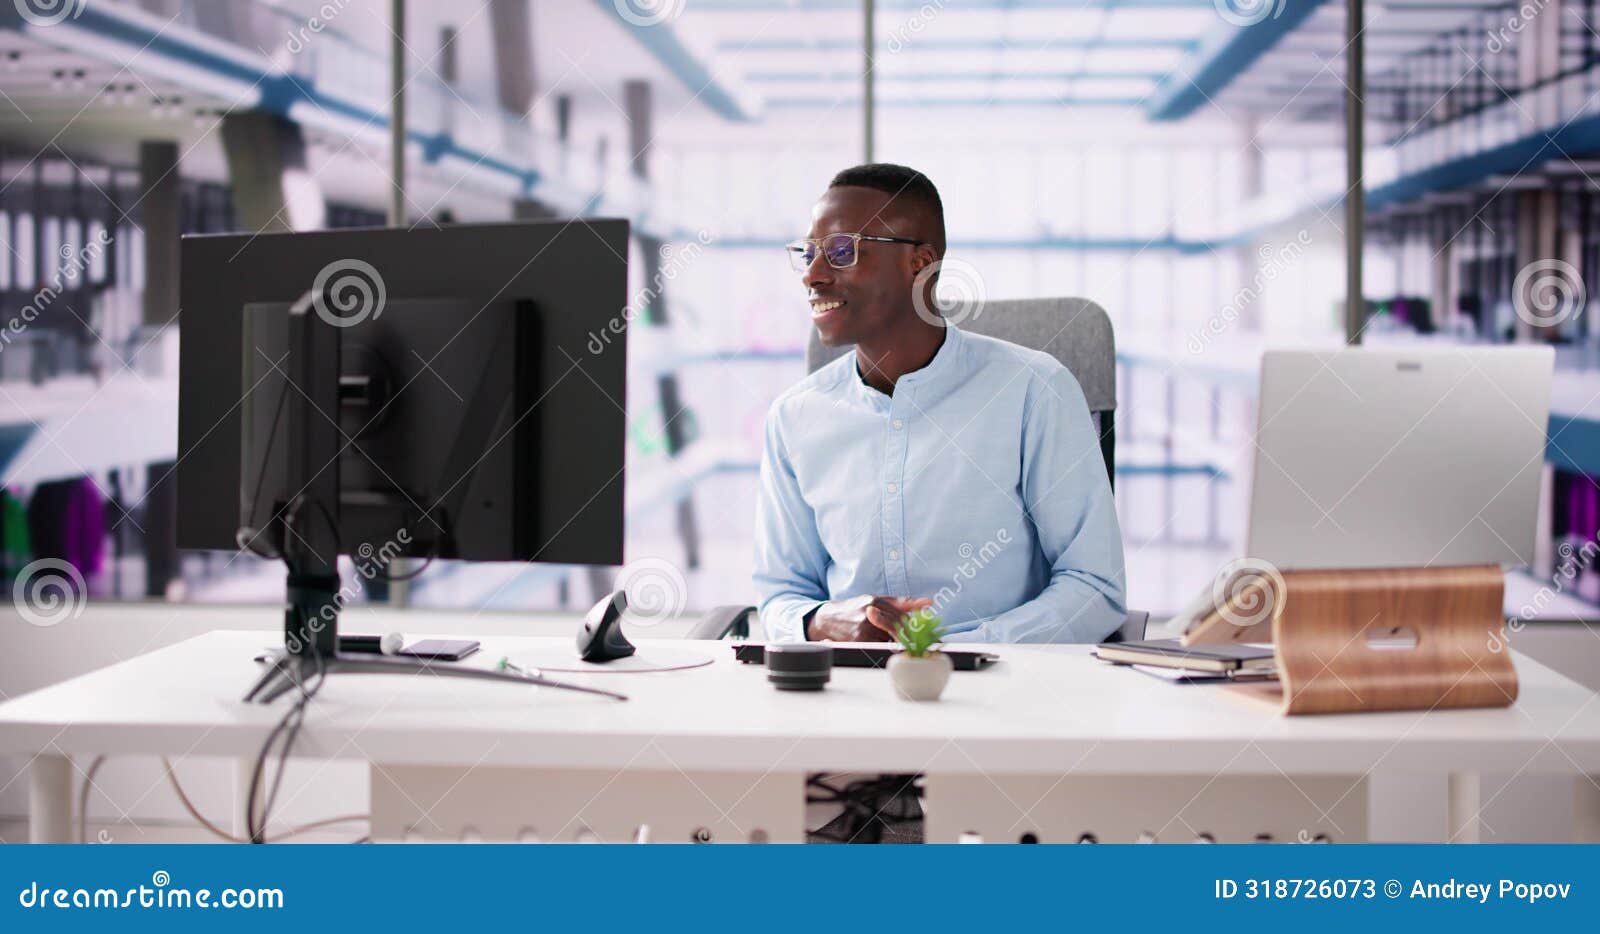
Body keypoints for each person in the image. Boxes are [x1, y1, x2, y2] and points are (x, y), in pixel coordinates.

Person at [753, 163, 1126, 644]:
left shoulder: (1036, 391)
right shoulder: (794, 417)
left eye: (842, 251)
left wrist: (948, 651)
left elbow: (1096, 589)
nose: (813, 275)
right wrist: (820, 622)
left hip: (1002, 690)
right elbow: (781, 593)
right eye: (808, 253)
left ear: (919, 262)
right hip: (844, 692)